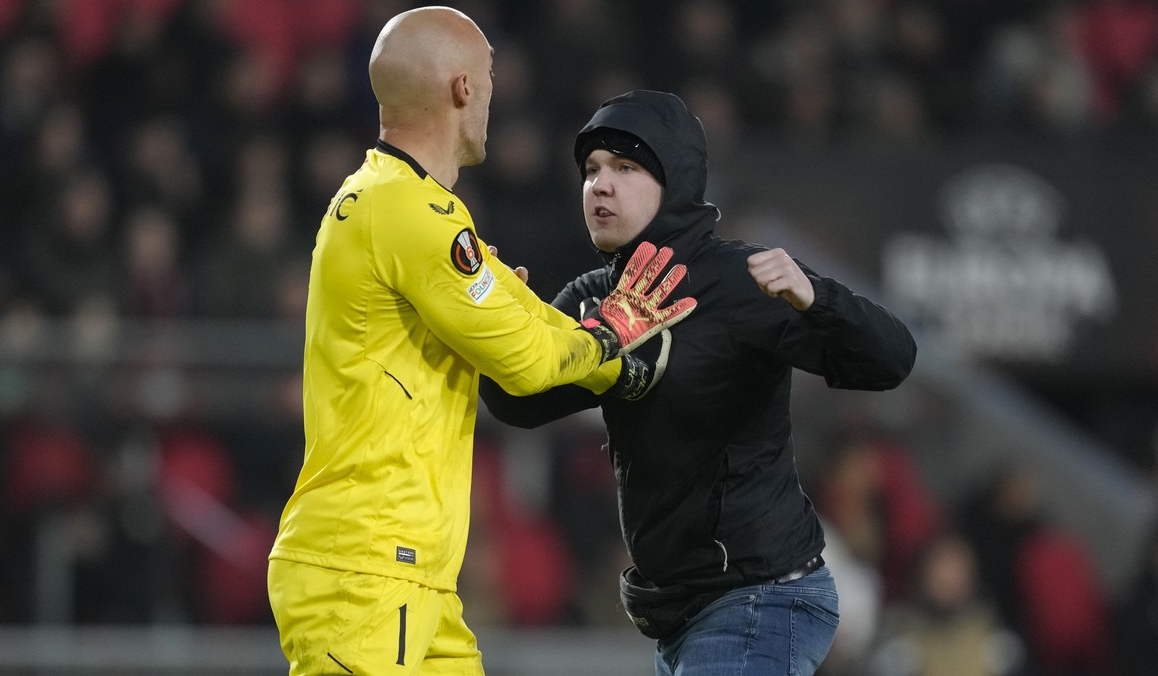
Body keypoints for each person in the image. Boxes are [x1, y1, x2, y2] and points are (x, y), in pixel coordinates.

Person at [265, 9, 697, 676]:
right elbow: (525, 361)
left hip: (409, 575)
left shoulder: (395, 205)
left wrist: (601, 350)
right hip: (367, 570)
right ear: (463, 87)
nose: (495, 95)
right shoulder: (416, 217)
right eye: (490, 77)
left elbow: (527, 324)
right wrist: (615, 335)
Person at [480, 89, 917, 675]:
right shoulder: (593, 298)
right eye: (591, 170)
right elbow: (517, 402)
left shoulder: (741, 281)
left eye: (626, 167)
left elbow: (891, 360)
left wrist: (820, 298)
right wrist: (499, 318)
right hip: (684, 615)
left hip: (764, 595)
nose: (600, 185)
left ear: (677, 179)